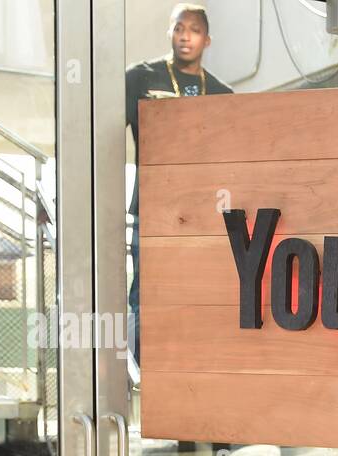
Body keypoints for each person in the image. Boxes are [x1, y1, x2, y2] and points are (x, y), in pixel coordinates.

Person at [125, 3, 233, 367]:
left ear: (208, 39)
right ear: (170, 33)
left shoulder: (221, 94)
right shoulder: (140, 78)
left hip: (203, 212)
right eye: (179, 28)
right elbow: (105, 136)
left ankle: (190, 363)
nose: (185, 36)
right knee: (146, 289)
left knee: (197, 287)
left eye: (194, 30)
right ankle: (146, 366)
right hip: (152, 207)